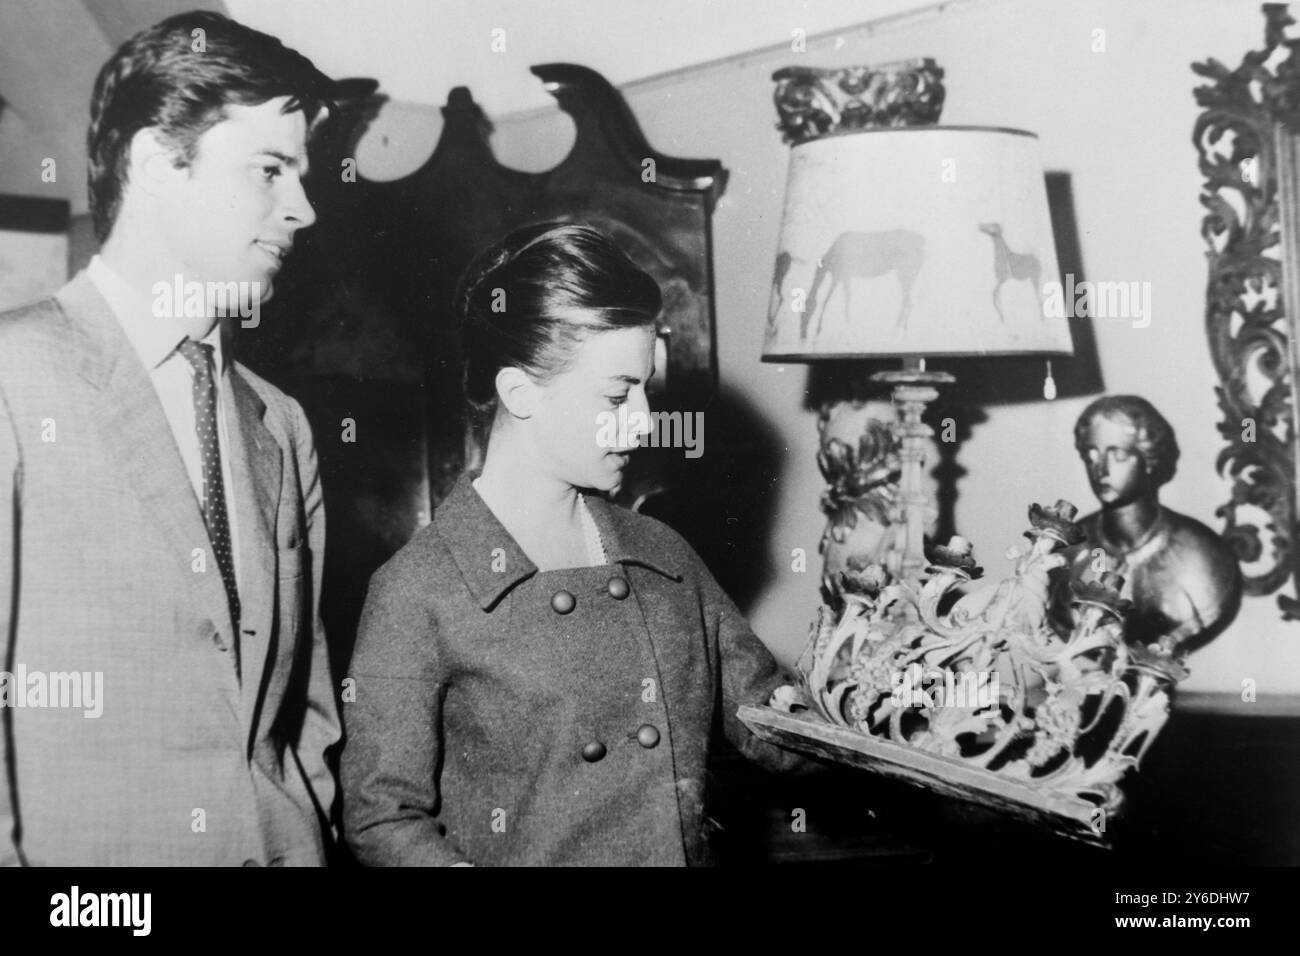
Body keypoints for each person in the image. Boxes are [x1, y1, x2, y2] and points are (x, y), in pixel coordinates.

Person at [341, 222, 808, 866]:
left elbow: (778, 726)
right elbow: (381, 819)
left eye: (645, 390)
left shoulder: (665, 556)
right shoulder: (417, 588)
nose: (644, 422)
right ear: (520, 392)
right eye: (617, 394)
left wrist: (902, 697)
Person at [0, 12, 341, 865]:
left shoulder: (281, 424)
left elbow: (304, 713)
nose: (303, 208)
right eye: (270, 169)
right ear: (157, 163)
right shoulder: (13, 375)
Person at [1058, 395, 1241, 653]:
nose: (1101, 470)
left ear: (1150, 458)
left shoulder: (1203, 554)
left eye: (1118, 454)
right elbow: (1061, 609)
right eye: (1091, 455)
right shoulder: (1070, 550)